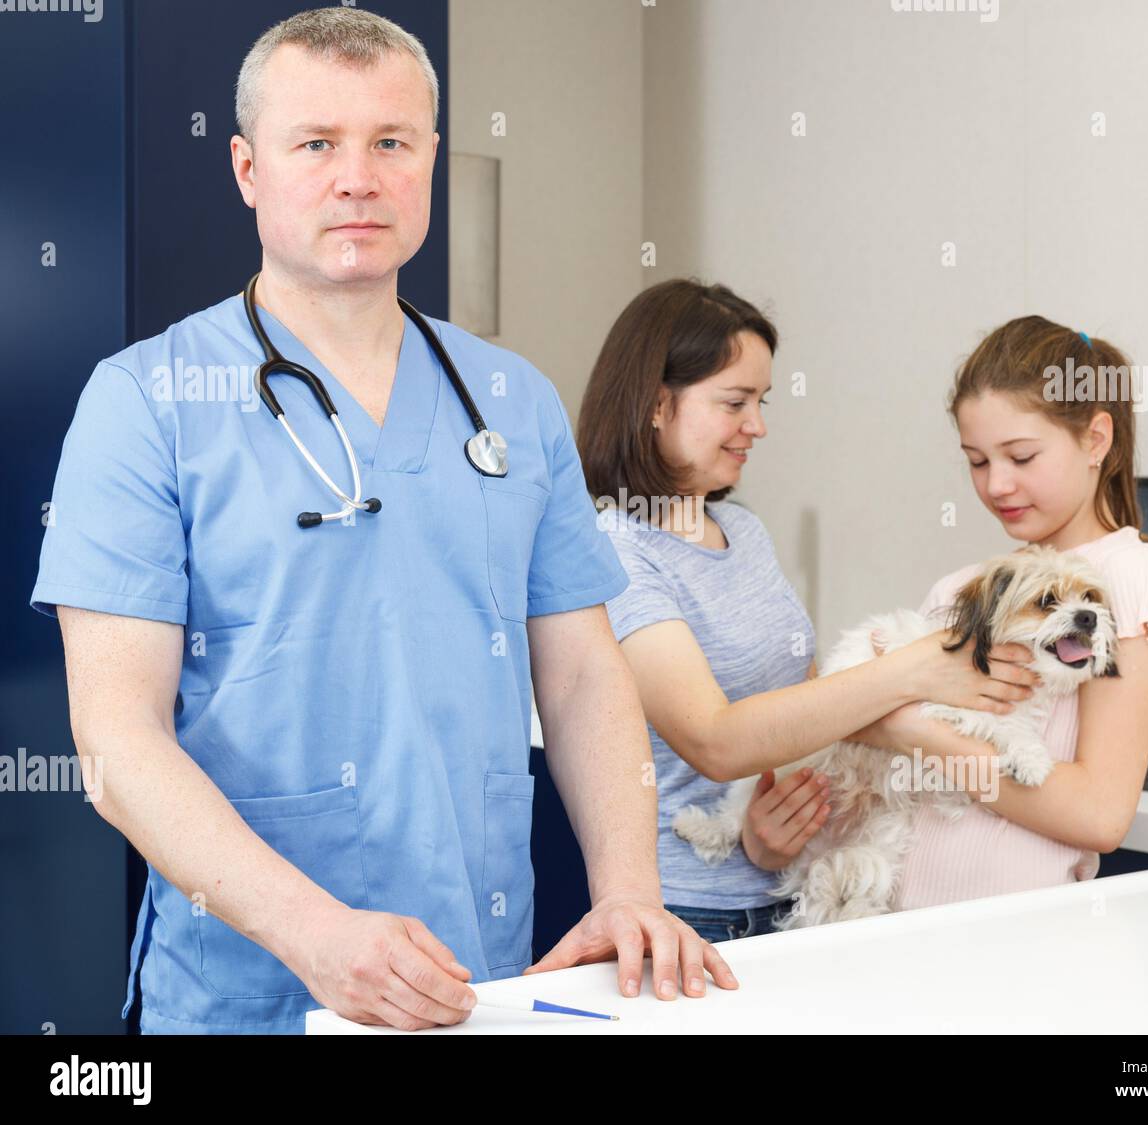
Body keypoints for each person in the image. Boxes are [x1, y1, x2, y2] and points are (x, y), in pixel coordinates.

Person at [29, 8, 735, 1035]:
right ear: (246, 169)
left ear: (430, 162)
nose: (357, 177)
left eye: (390, 143)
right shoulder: (147, 400)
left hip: (475, 976)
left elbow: (583, 675)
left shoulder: (512, 397)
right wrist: (314, 934)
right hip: (249, 983)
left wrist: (629, 889)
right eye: (315, 143)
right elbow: (115, 741)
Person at [576, 279, 1041, 942]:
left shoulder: (742, 529)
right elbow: (717, 738)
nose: (758, 424)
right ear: (655, 404)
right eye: (735, 402)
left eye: (761, 401)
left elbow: (808, 703)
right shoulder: (616, 551)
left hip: (788, 886)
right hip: (691, 913)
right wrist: (911, 671)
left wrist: (772, 837)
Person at [865, 316, 1148, 908]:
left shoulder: (1128, 577)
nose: (997, 485)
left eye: (1020, 456)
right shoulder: (964, 588)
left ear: (1096, 440)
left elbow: (1099, 815)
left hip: (1013, 942)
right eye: (977, 461)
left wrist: (908, 731)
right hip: (894, 925)